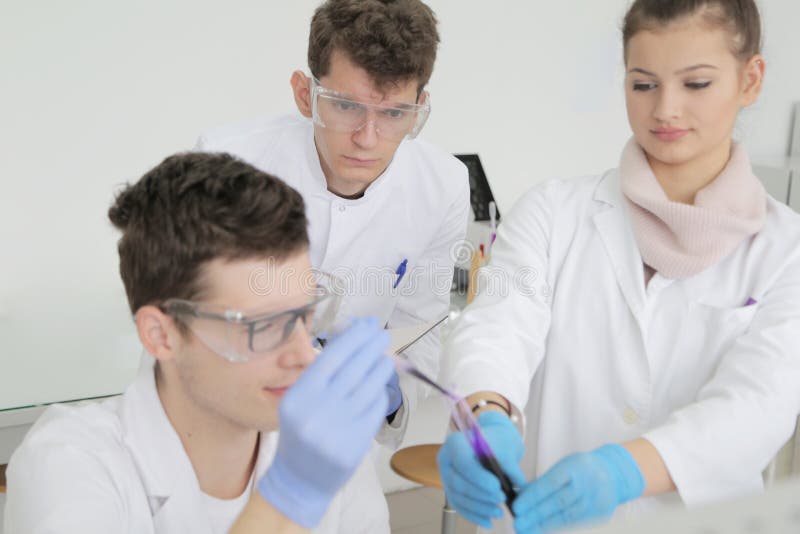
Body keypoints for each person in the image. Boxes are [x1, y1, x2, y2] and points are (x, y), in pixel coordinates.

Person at [436, 0, 800, 532]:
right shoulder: (553, 211)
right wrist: (485, 415)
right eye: (643, 84)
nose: (665, 110)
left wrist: (625, 468)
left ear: (751, 80)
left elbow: (759, 405)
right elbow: (498, 327)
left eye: (695, 84)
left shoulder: (786, 249)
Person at [4, 153, 394, 533]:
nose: (304, 356)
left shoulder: (322, 449)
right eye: (261, 325)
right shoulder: (68, 463)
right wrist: (289, 497)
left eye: (304, 314)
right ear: (161, 335)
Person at [196, 0, 470, 447]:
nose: (367, 137)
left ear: (420, 106)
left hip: (339, 435)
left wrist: (394, 392)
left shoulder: (443, 185)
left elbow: (421, 321)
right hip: (226, 425)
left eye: (395, 114)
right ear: (305, 94)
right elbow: (190, 314)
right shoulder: (228, 164)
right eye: (345, 107)